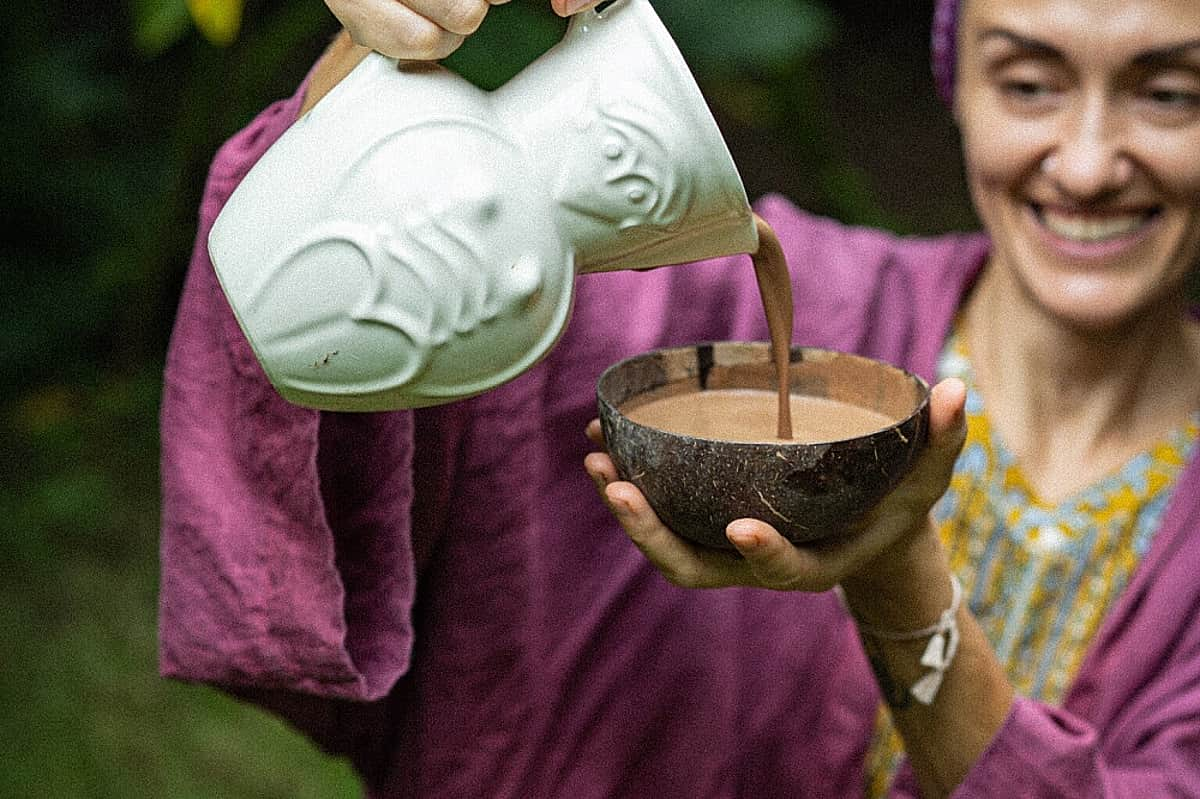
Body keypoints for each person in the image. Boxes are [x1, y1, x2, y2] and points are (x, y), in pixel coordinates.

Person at [158, 0, 1200, 796]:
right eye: (1028, 83)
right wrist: (370, 91)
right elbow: (349, 402)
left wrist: (900, 581)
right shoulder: (719, 313)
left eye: (1169, 93)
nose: (1090, 160)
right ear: (957, 85)